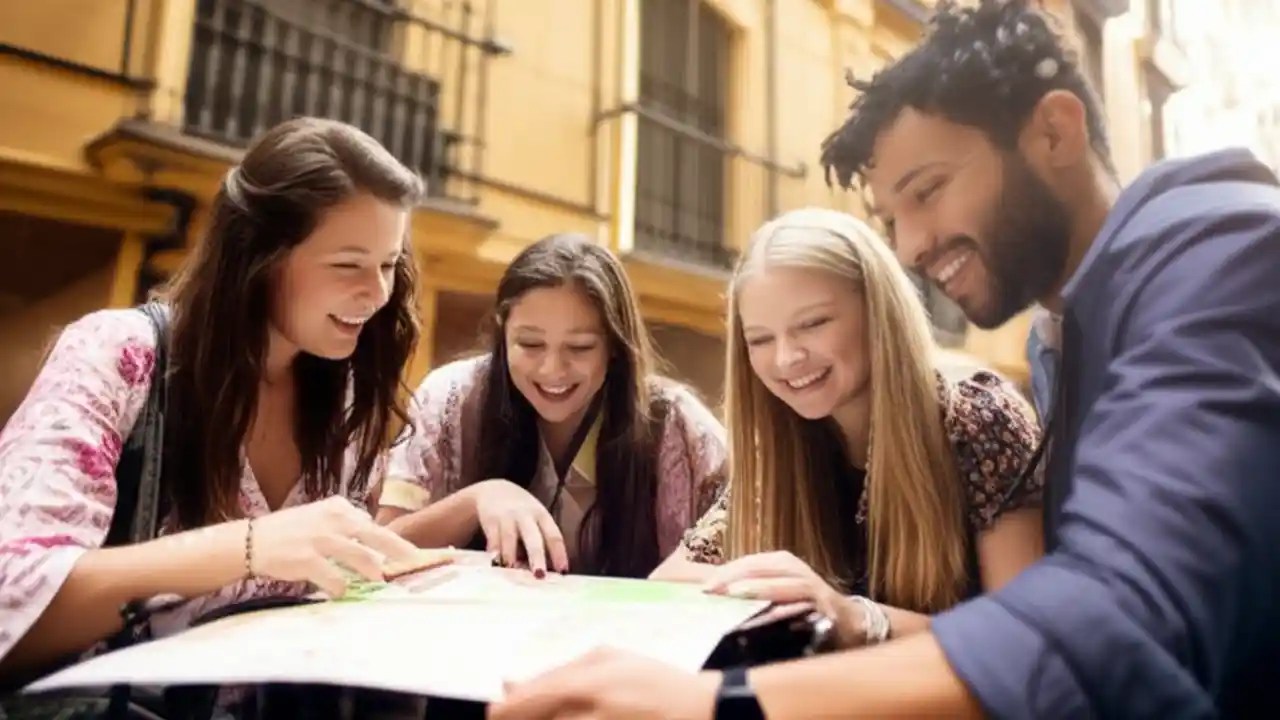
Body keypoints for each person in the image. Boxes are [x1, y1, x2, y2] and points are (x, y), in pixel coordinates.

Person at [490, 0, 1280, 717]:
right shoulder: (1065, 335)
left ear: (1054, 131)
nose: (909, 247)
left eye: (929, 190)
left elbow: (1113, 617)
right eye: (891, 217)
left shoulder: (1216, 254)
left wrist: (716, 705)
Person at [0, 118, 424, 679]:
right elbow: (13, 594)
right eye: (348, 265)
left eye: (389, 265)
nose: (376, 293)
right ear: (256, 255)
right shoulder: (120, 355)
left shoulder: (342, 392)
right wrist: (248, 545)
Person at [650, 207, 1043, 650]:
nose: (785, 359)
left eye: (814, 324)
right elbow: (668, 582)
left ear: (878, 310)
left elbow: (1025, 642)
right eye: (760, 339)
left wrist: (856, 617)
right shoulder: (782, 447)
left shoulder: (980, 417)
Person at [376, 233, 726, 579]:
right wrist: (478, 499)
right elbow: (382, 549)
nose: (552, 370)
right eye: (530, 344)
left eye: (580, 348)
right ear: (503, 332)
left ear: (615, 346)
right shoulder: (451, 398)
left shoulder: (678, 427)